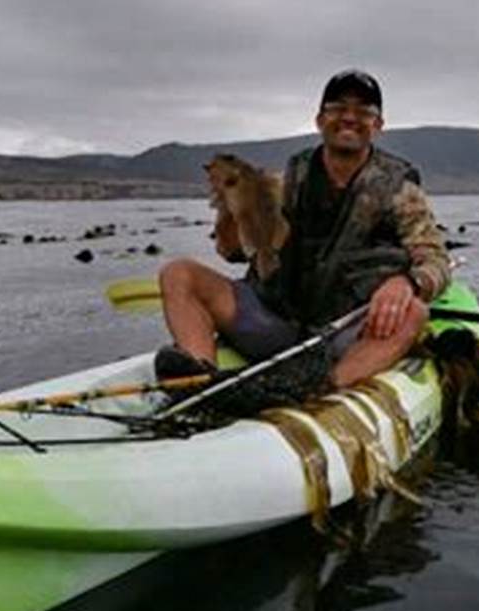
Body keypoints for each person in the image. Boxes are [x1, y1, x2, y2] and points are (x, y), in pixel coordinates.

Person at [156, 69, 452, 391]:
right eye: (338, 108)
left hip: (346, 332)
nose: (349, 118)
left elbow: (436, 260)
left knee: (413, 312)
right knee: (179, 273)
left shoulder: (400, 189)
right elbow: (234, 253)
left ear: (377, 125)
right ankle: (200, 384)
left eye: (363, 111)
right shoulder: (284, 182)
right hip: (276, 321)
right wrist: (229, 210)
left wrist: (406, 282)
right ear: (320, 120)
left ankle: (321, 391)